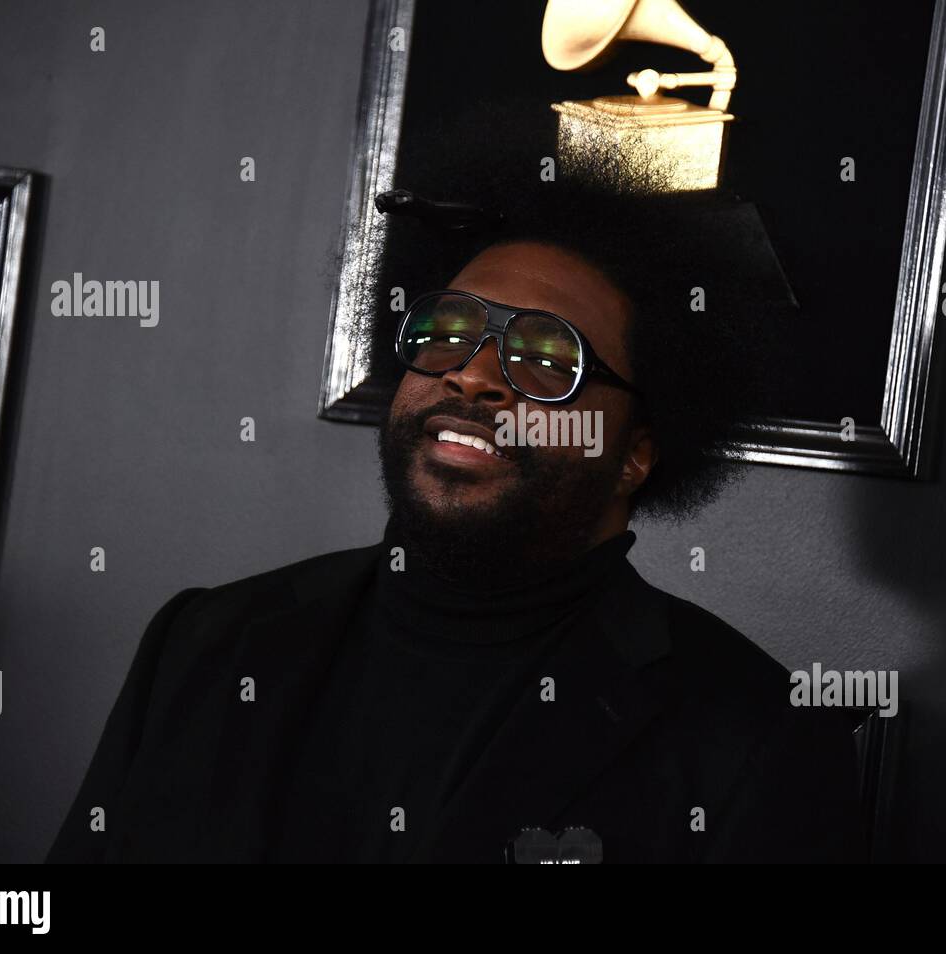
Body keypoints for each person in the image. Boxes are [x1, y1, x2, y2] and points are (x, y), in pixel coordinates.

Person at [46, 131, 864, 864]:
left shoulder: (754, 733)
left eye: (547, 359)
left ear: (635, 455)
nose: (472, 374)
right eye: (447, 331)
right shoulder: (203, 642)